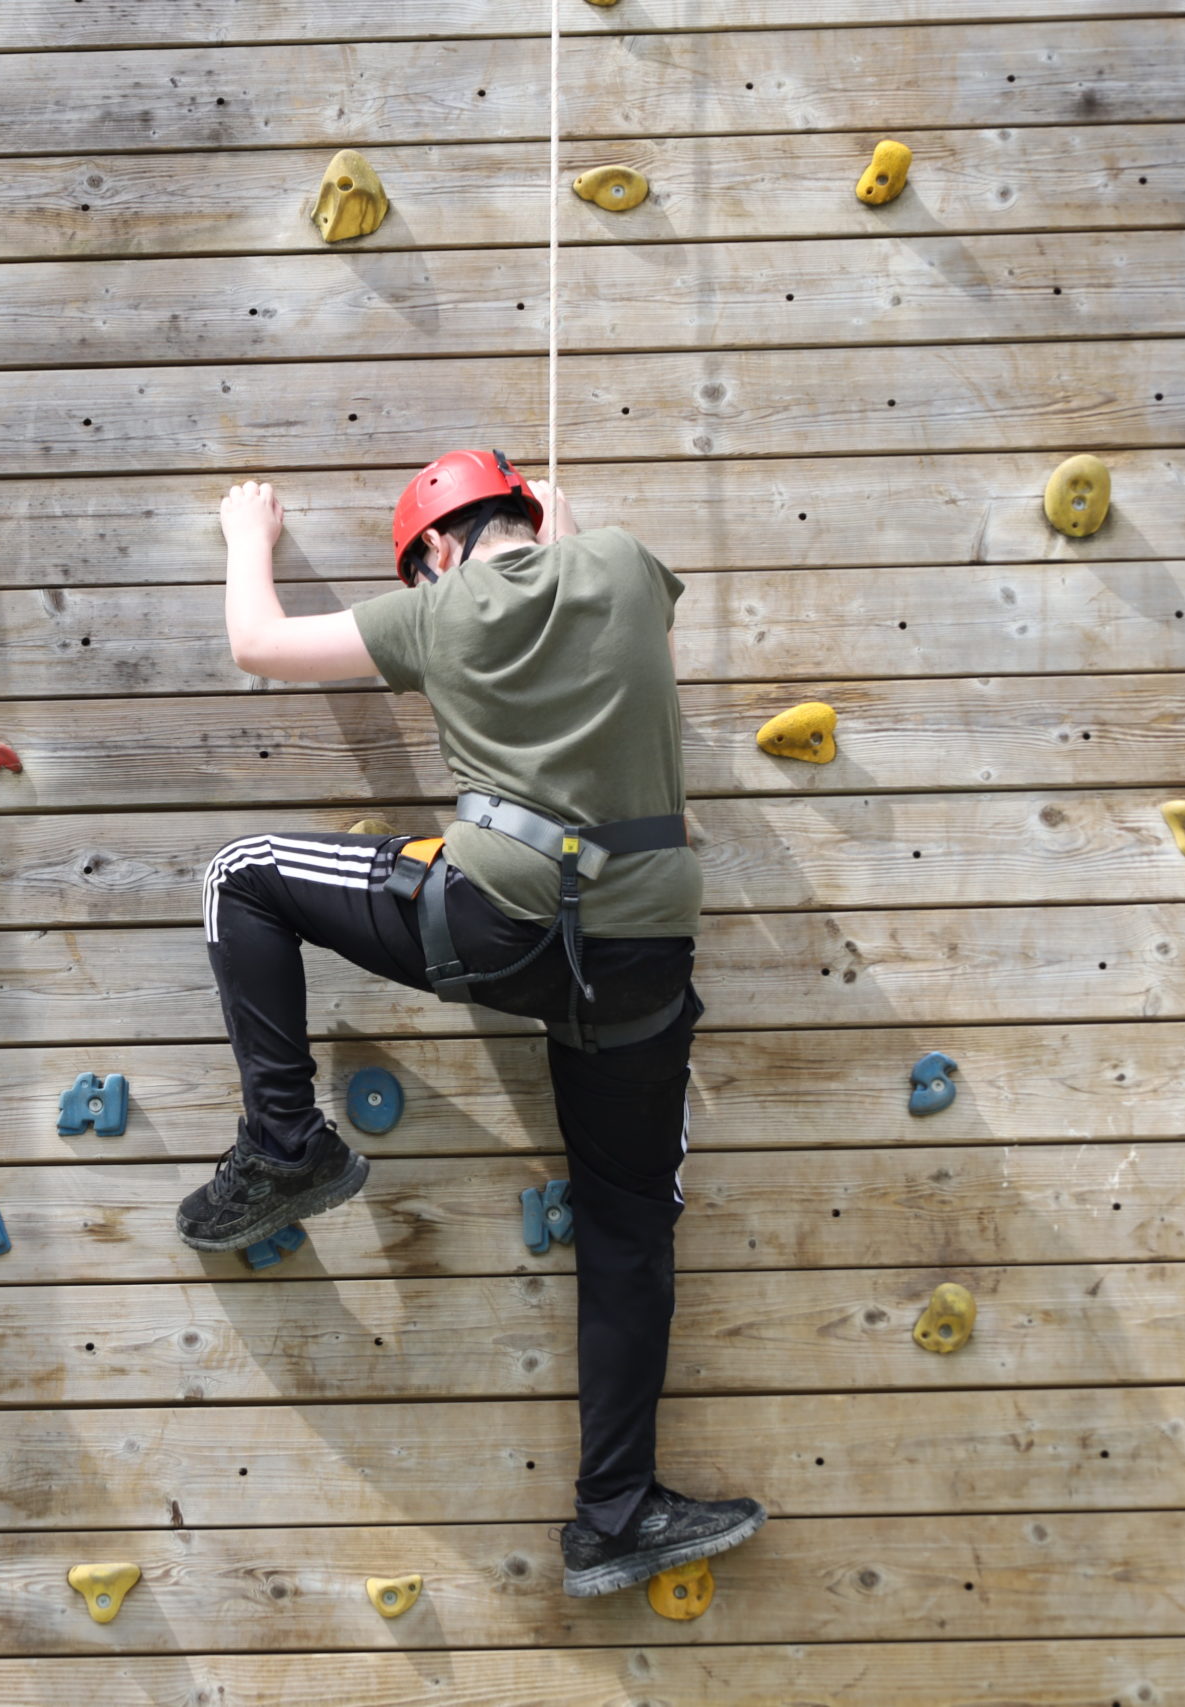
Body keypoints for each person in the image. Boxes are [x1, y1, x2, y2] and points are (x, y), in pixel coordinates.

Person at [175, 450, 765, 1597]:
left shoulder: (436, 608)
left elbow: (258, 644)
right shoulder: (628, 569)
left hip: (496, 926)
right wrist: (560, 524)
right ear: (530, 515)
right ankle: (615, 1516)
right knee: (627, 1223)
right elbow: (625, 663)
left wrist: (248, 538)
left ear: (434, 551)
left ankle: (287, 1142)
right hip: (642, 960)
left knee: (242, 873)